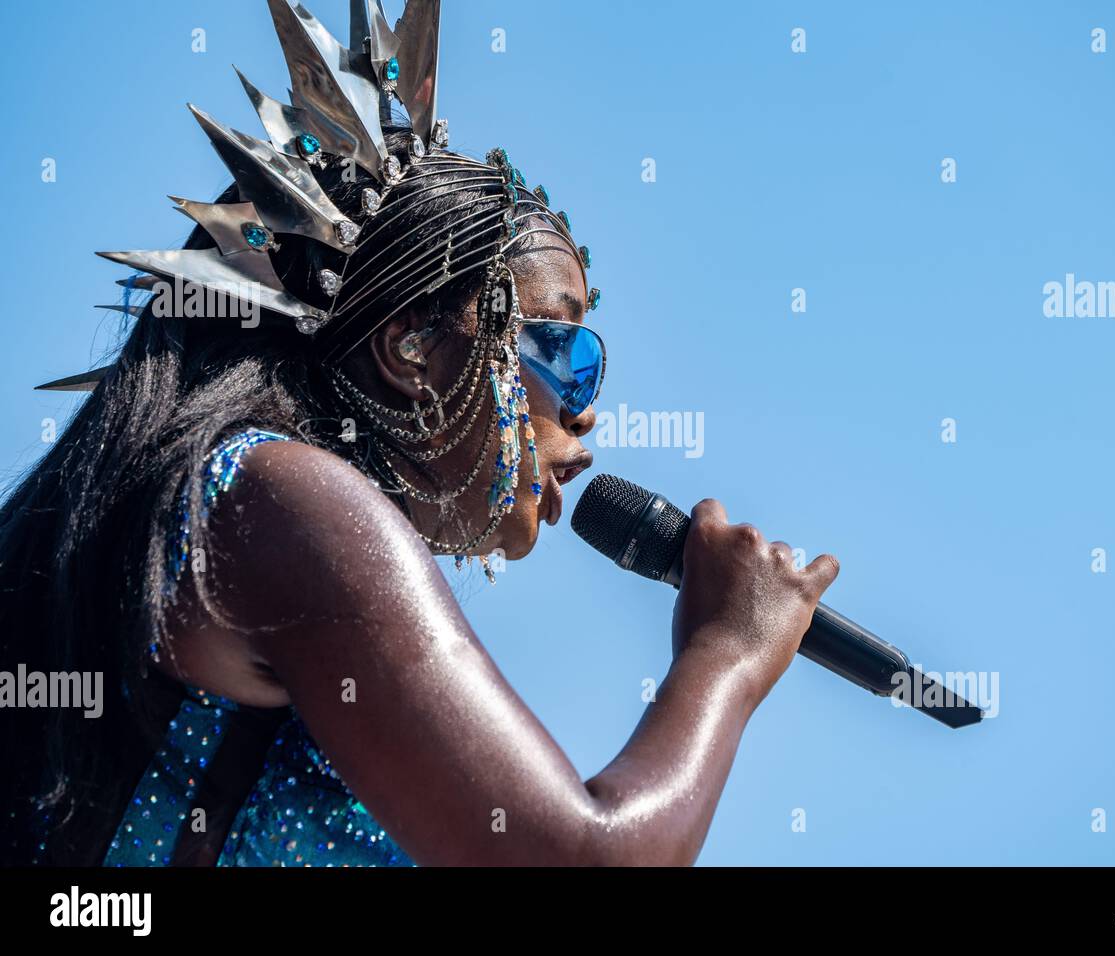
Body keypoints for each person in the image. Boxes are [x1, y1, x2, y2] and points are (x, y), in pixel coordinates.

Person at [0, 0, 838, 866]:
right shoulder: (287, 503)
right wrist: (729, 654)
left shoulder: (246, 507)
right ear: (412, 345)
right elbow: (577, 858)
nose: (584, 410)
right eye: (561, 346)